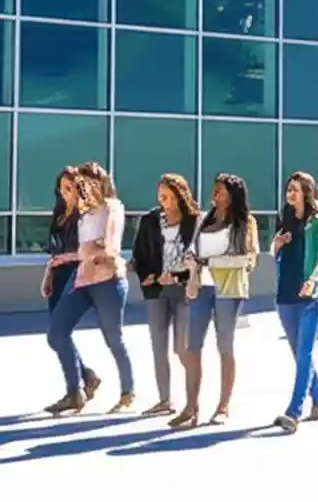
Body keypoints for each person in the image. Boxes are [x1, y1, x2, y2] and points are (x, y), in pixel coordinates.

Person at [44, 162, 134, 415]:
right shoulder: (84, 212)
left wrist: (90, 251)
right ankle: (75, 392)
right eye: (81, 184)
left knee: (113, 338)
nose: (84, 189)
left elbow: (110, 248)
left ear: (101, 183)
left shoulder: (112, 207)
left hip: (108, 281)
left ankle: (128, 393)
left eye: (88, 183)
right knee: (56, 333)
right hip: (83, 281)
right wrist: (87, 252)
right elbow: (82, 249)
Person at [177, 173, 258, 427]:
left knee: (224, 346)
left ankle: (223, 406)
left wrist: (210, 262)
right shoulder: (205, 219)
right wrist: (190, 260)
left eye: (220, 191)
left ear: (232, 195)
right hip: (202, 287)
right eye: (214, 190)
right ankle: (191, 405)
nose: (214, 194)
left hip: (228, 289)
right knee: (191, 347)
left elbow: (248, 260)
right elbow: (193, 248)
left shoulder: (246, 222)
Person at [132, 173, 200, 417]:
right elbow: (140, 253)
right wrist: (147, 274)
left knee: (183, 348)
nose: (164, 202)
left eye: (168, 197)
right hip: (156, 289)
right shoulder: (150, 220)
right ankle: (164, 399)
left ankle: (192, 400)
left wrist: (178, 277)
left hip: (184, 290)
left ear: (180, 196)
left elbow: (199, 258)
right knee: (158, 346)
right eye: (161, 197)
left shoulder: (195, 221)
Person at [271, 171, 318, 433]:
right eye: (289, 189)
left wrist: (314, 281)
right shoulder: (284, 221)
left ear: (307, 192)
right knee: (299, 353)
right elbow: (276, 257)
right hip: (286, 294)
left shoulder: (317, 223)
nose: (291, 194)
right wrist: (276, 244)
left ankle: (294, 411)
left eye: (296, 189)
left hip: (311, 295)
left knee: (305, 352)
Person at [39, 167, 101, 409]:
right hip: (57, 275)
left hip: (77, 274)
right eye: (62, 188)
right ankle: (86, 376)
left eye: (71, 188)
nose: (66, 193)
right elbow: (53, 253)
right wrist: (47, 276)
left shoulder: (86, 216)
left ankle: (75, 391)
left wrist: (63, 260)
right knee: (58, 335)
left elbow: (87, 250)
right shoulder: (58, 215)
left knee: (57, 334)